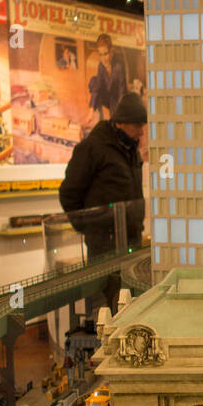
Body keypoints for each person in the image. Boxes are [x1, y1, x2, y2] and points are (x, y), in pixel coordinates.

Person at [59, 92, 146, 311]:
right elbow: (69, 193)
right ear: (121, 122)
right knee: (106, 307)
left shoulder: (130, 150)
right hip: (104, 244)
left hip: (130, 239)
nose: (141, 131)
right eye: (136, 125)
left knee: (130, 303)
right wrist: (87, 225)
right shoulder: (93, 148)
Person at [87, 34, 127, 117]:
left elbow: (122, 91)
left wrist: (120, 111)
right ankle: (99, 113)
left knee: (115, 120)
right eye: (100, 54)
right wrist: (91, 111)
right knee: (93, 81)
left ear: (111, 51)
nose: (103, 59)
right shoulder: (101, 65)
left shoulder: (119, 65)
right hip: (107, 95)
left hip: (116, 98)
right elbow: (97, 87)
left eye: (105, 54)